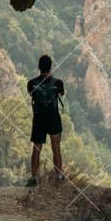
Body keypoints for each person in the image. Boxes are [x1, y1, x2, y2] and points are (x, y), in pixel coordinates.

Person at [26, 54, 65, 186]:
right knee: (56, 147)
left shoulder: (31, 83)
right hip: (53, 116)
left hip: (39, 117)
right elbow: (61, 94)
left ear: (39, 66)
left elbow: (31, 94)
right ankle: (59, 175)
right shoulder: (58, 83)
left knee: (37, 148)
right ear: (50, 66)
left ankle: (33, 177)